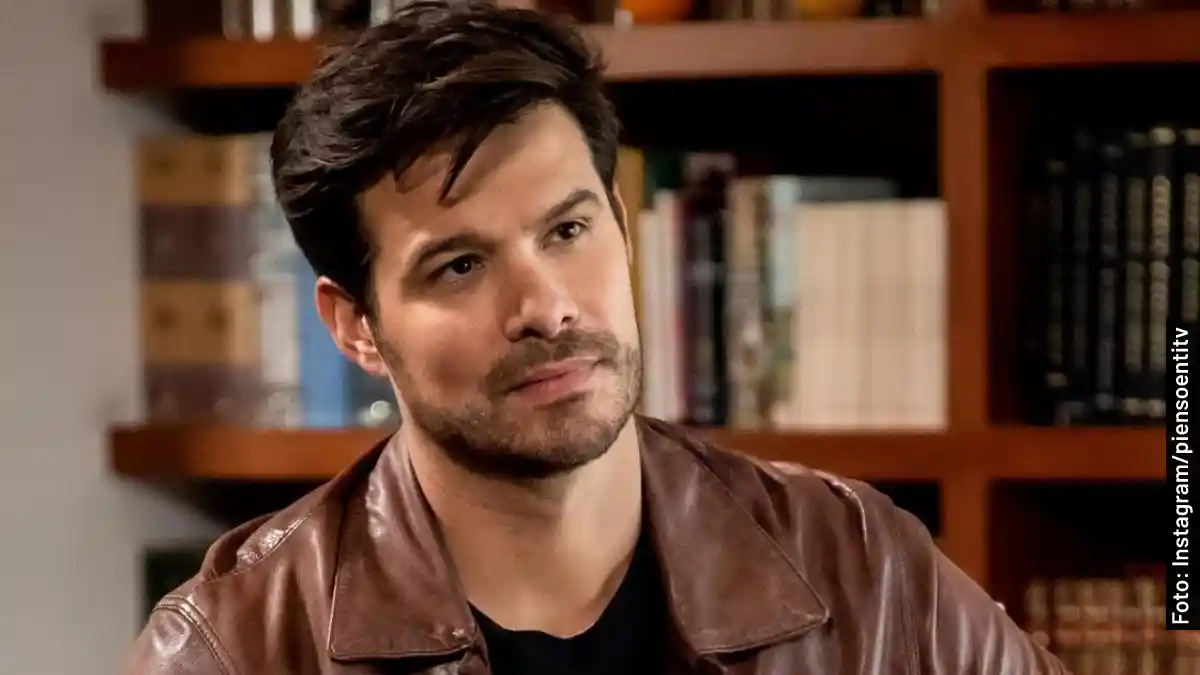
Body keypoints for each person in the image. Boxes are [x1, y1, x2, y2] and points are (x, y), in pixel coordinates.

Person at [122, 1, 1068, 673]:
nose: (545, 306)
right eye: (460, 265)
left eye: (568, 230)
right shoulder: (235, 647)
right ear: (355, 326)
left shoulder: (862, 569)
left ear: (622, 225)